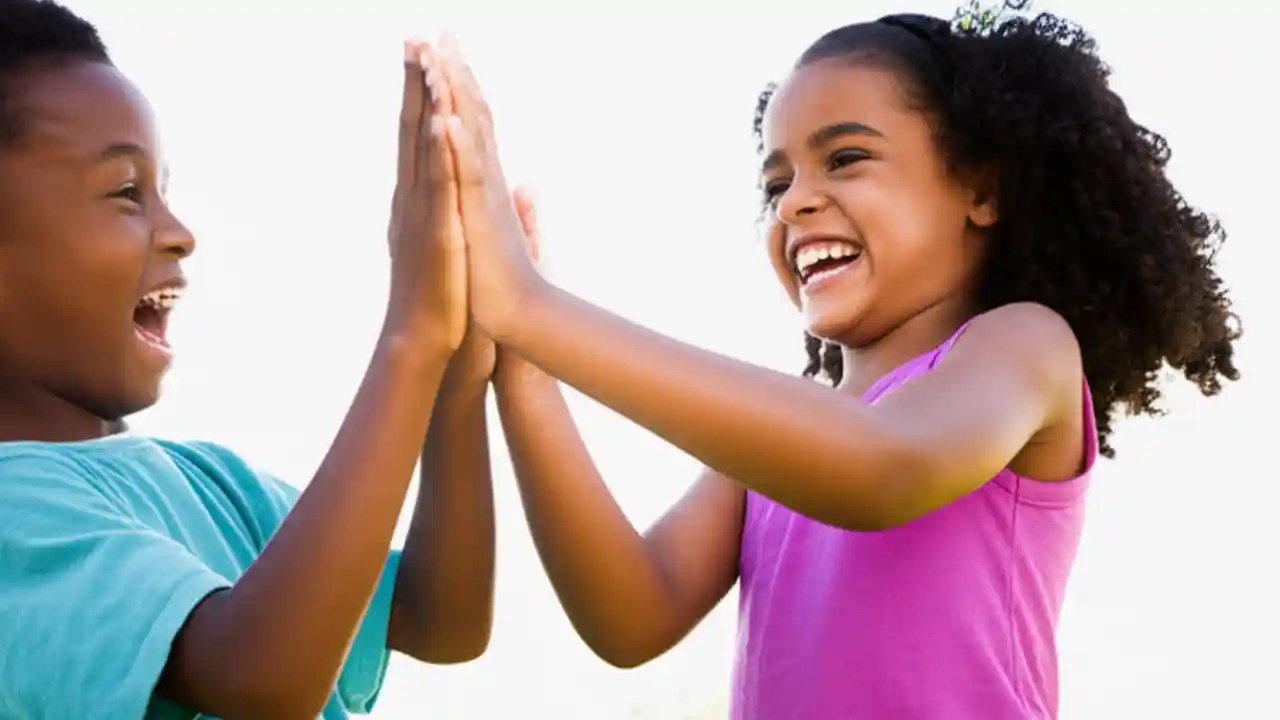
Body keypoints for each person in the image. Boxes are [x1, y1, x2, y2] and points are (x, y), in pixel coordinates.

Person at [431, 3, 1241, 718]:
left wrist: (536, 308)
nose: (795, 202)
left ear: (981, 190)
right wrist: (528, 366)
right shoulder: (781, 442)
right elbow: (630, 614)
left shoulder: (1022, 345)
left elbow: (883, 469)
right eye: (775, 183)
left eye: (845, 159)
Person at [0, 3, 503, 718]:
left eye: (164, 191)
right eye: (125, 193)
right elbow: (262, 682)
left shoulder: (212, 481)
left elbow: (440, 616)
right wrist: (411, 341)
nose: (179, 233)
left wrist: (454, 386)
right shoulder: (14, 519)